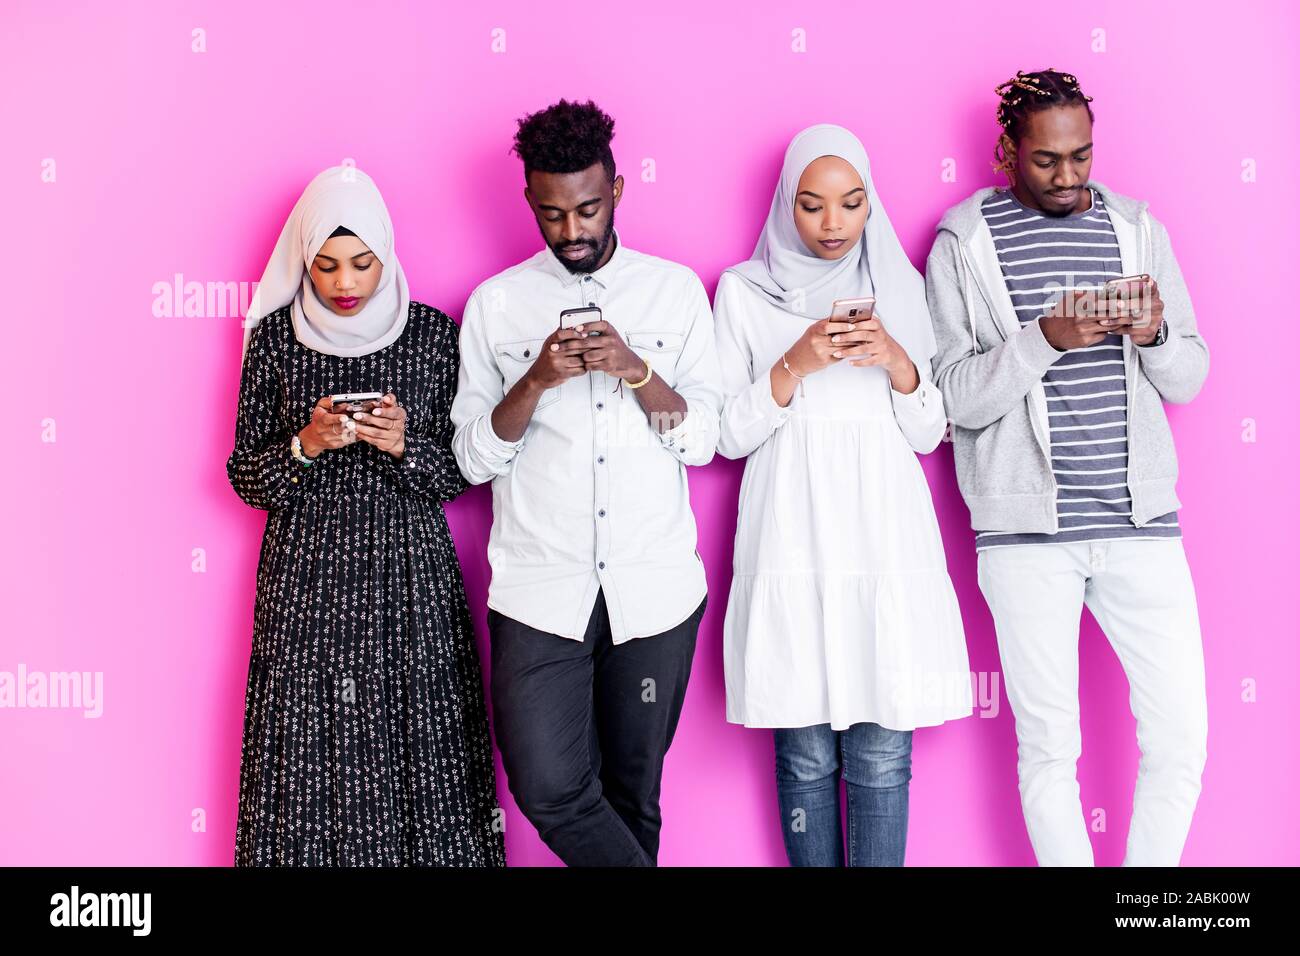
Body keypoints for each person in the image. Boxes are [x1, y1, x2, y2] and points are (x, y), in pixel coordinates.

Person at [925, 69, 1210, 866]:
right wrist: (1042, 338)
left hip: (1142, 522)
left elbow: (1190, 374)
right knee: (1050, 750)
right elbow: (954, 398)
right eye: (1046, 160)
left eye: (1081, 156)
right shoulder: (963, 244)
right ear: (1006, 152)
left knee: (1182, 737)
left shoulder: (1135, 228)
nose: (1068, 177)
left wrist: (1153, 333)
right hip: (1025, 537)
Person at [450, 99, 721, 866]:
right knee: (548, 786)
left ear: (619, 191)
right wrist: (534, 380)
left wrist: (638, 370)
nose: (572, 230)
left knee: (633, 793)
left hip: (655, 587)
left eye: (589, 208)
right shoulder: (496, 306)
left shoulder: (673, 293)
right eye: (552, 213)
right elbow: (470, 459)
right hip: (539, 591)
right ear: (530, 201)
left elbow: (704, 440)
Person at [227, 165, 504, 866]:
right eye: (324, 266)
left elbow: (461, 472)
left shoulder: (433, 338)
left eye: (362, 263)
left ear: (387, 251)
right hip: (306, 580)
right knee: (308, 744)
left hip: (409, 577)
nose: (344, 284)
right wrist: (306, 444)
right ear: (303, 260)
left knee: (424, 740)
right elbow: (244, 478)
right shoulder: (275, 341)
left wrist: (404, 446)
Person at [715, 124, 972, 867]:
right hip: (791, 528)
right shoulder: (743, 292)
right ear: (784, 206)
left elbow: (930, 434)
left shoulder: (900, 286)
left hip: (883, 531)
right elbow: (727, 434)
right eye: (813, 205)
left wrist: (895, 357)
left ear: (870, 205)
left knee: (884, 755)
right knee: (802, 756)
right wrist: (793, 364)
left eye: (852, 204)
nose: (833, 225)